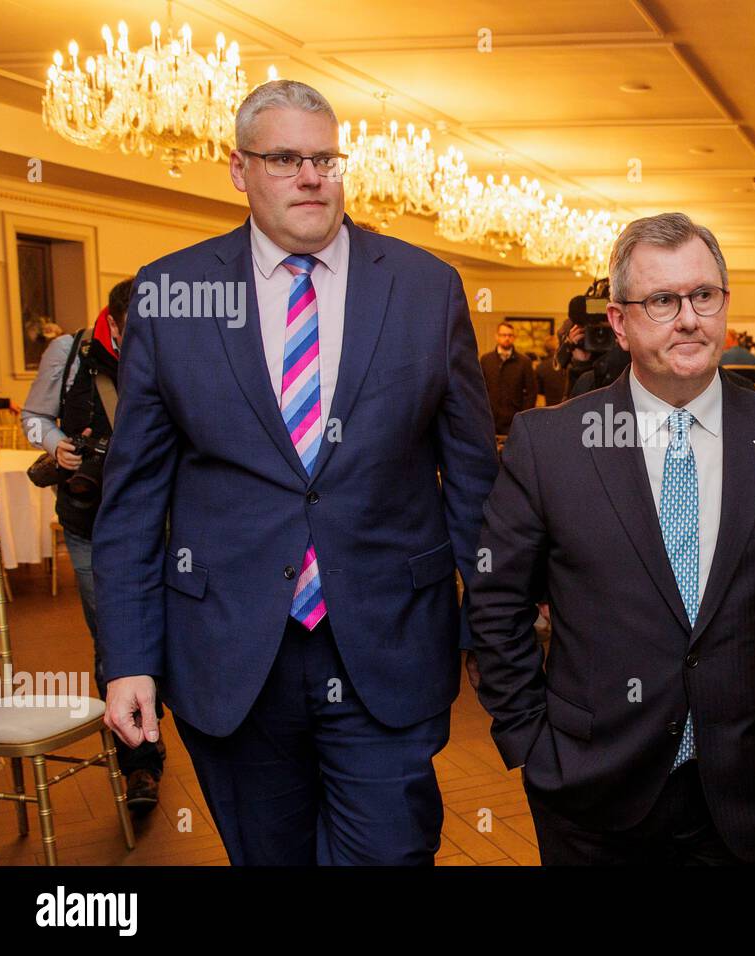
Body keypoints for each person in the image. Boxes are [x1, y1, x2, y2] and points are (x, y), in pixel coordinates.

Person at [92, 79, 499, 865]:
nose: (312, 177)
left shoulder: (424, 287)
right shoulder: (173, 292)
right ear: (239, 169)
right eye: (284, 158)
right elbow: (134, 497)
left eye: (325, 158)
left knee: (390, 852)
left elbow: (474, 479)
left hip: (390, 640)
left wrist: (490, 630)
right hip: (230, 653)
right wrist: (129, 658)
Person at [466, 213, 755, 865]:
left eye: (703, 295)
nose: (688, 318)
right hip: (593, 795)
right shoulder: (552, 444)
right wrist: (529, 740)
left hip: (747, 792)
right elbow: (495, 602)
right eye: (662, 300)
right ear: (620, 324)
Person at [21, 279, 167, 813]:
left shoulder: (170, 343)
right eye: (133, 335)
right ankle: (141, 763)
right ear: (114, 323)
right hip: (90, 523)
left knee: (176, 630)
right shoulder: (70, 351)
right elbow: (33, 417)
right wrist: (54, 443)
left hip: (166, 523)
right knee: (116, 636)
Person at [480, 322, 537, 433]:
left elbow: (532, 391)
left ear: (514, 337)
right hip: (491, 418)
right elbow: (480, 388)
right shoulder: (486, 360)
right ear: (496, 336)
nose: (507, 338)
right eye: (503, 335)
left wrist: (523, 415)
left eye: (510, 335)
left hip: (514, 418)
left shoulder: (524, 362)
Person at [534, 335, 569, 406]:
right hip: (569, 403)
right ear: (559, 347)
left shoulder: (540, 367)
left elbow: (539, 392)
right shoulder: (568, 362)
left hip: (550, 406)